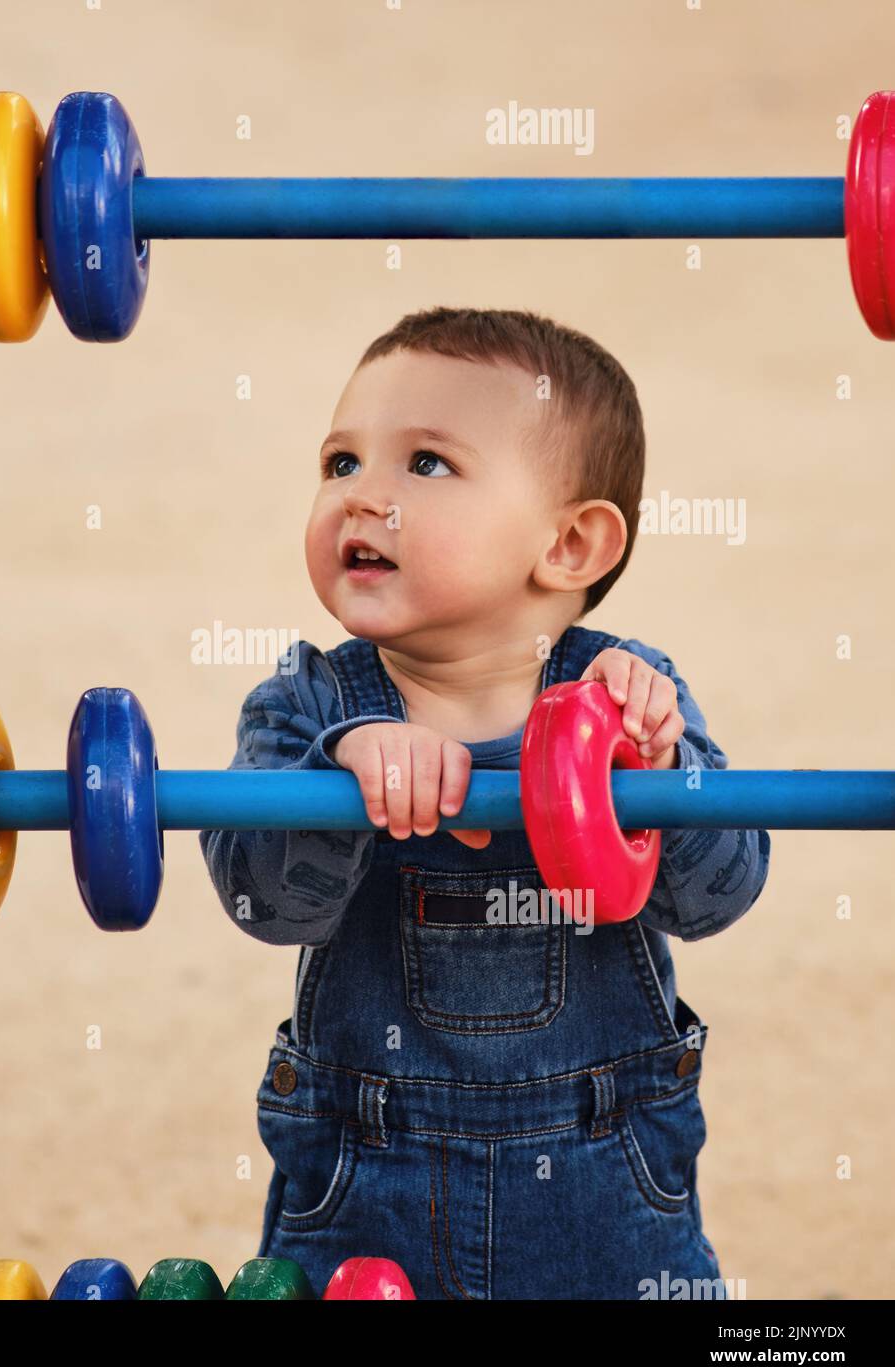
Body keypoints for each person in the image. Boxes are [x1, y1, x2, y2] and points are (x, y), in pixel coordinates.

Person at [200, 307, 770, 1300]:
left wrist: (658, 768)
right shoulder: (305, 706)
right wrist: (340, 779)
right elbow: (263, 903)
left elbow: (721, 892)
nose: (362, 496)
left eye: (425, 465)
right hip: (363, 1188)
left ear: (570, 545)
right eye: (340, 462)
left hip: (604, 1196)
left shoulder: (632, 698)